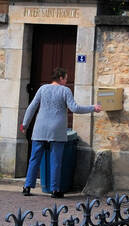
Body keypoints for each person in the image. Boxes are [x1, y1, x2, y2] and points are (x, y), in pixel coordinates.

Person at [21, 67, 101, 198]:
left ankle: (27, 187)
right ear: (61, 78)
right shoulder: (65, 90)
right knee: (56, 160)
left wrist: (25, 124)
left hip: (40, 128)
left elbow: (32, 107)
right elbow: (75, 108)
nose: (66, 81)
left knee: (34, 158)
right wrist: (93, 108)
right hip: (57, 129)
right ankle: (55, 190)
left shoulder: (42, 89)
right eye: (66, 78)